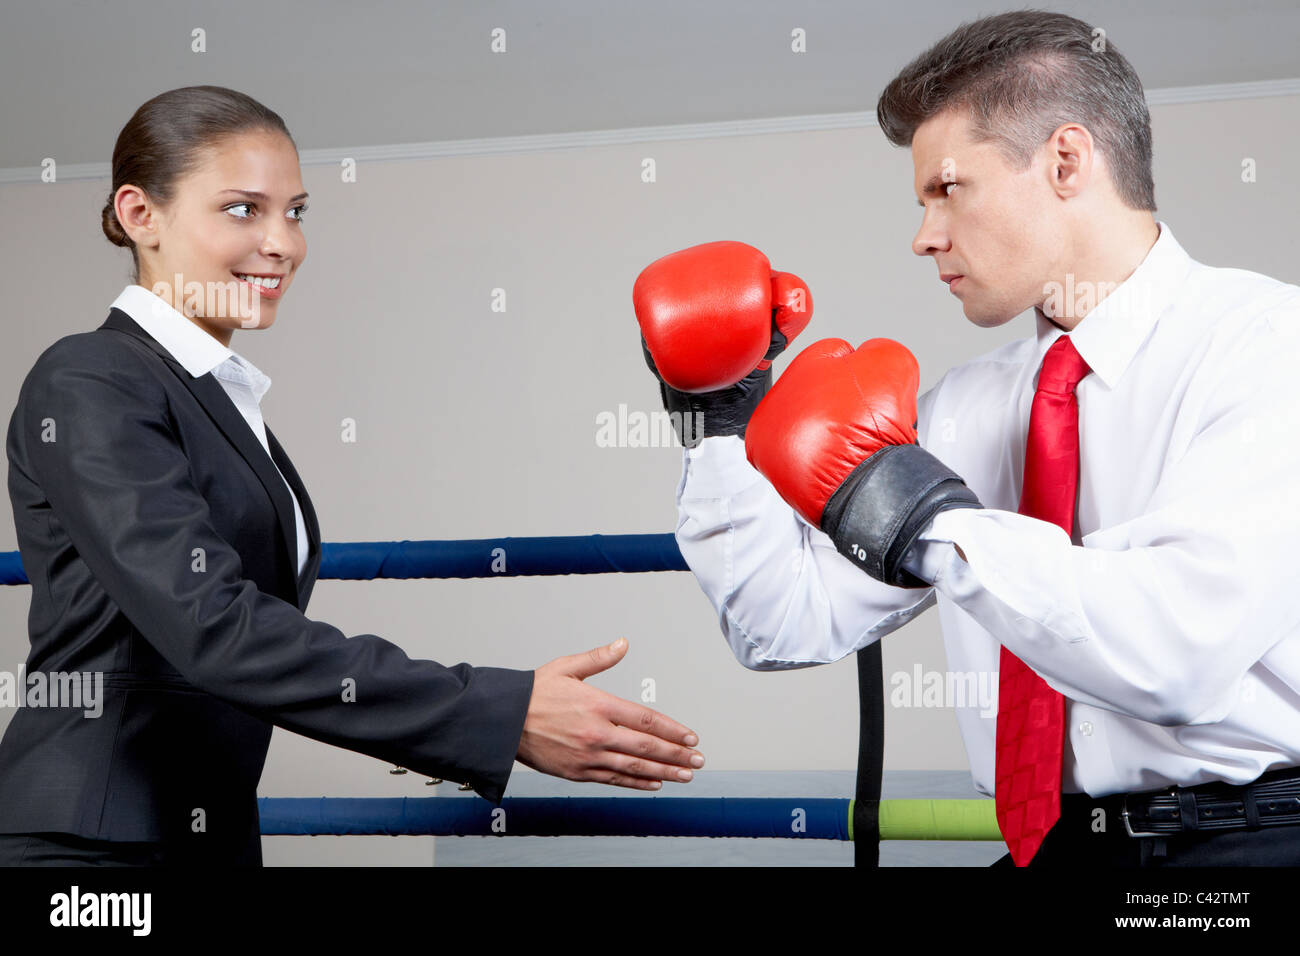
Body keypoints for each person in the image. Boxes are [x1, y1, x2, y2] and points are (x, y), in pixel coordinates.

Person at [644, 10, 1300, 867]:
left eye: (948, 190)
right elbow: (782, 623)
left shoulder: (1265, 344)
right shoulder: (966, 406)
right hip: (1052, 848)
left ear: (1066, 162)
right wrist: (719, 420)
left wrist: (921, 518)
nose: (924, 237)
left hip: (1249, 845)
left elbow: (1176, 653)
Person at [0, 85, 704, 867]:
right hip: (91, 840)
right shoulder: (91, 378)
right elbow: (213, 626)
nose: (283, 243)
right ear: (140, 215)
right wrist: (500, 713)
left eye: (295, 212)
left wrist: (491, 714)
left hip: (196, 831)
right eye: (243, 209)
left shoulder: (214, 397)